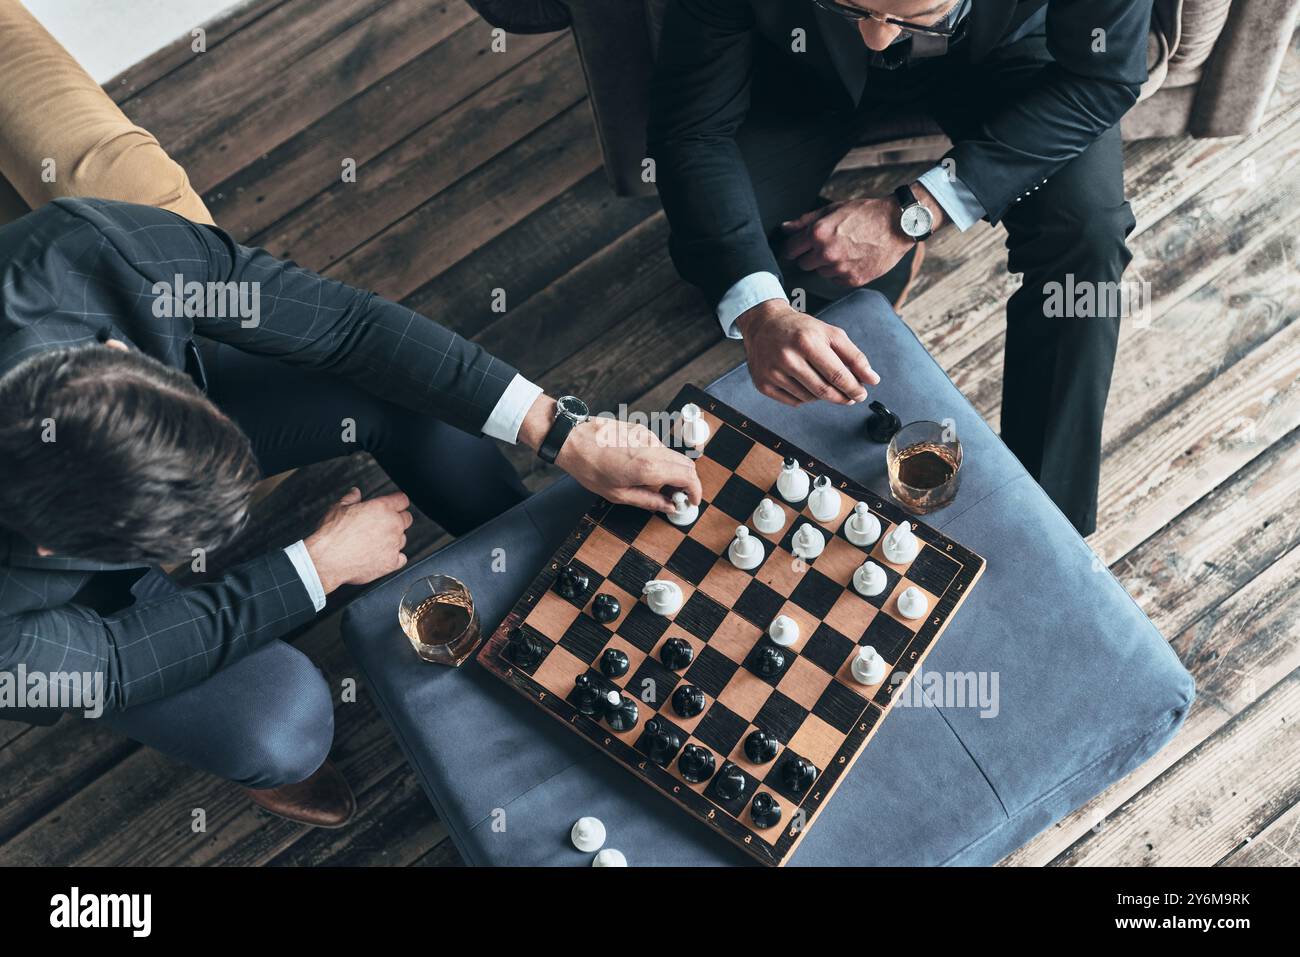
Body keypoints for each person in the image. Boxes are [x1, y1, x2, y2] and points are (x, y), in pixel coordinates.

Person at [0, 197, 701, 826]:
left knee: (399, 388)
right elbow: (116, 662)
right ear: (53, 549)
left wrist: (562, 429)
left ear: (118, 356)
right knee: (281, 727)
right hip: (62, 612)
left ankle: (549, 570)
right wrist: (315, 566)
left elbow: (349, 326)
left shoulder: (89, 254)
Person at [647, 0, 1151, 535]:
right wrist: (760, 313)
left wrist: (915, 212)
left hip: (1009, 58)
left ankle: (1050, 528)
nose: (876, 41)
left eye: (914, 13)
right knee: (724, 248)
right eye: (851, 6)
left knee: (1087, 238)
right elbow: (692, 132)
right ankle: (866, 278)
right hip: (801, 65)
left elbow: (1102, 80)